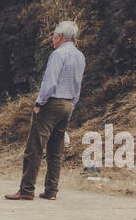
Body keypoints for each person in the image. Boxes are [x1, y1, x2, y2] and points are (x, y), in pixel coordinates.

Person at [7, 20, 85, 201]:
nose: (52, 39)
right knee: (55, 150)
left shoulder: (58, 55)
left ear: (59, 36)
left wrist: (39, 102)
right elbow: (78, 84)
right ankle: (51, 190)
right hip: (68, 104)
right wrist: (73, 102)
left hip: (52, 103)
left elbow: (50, 83)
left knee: (35, 147)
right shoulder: (80, 56)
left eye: (53, 36)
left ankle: (26, 189)